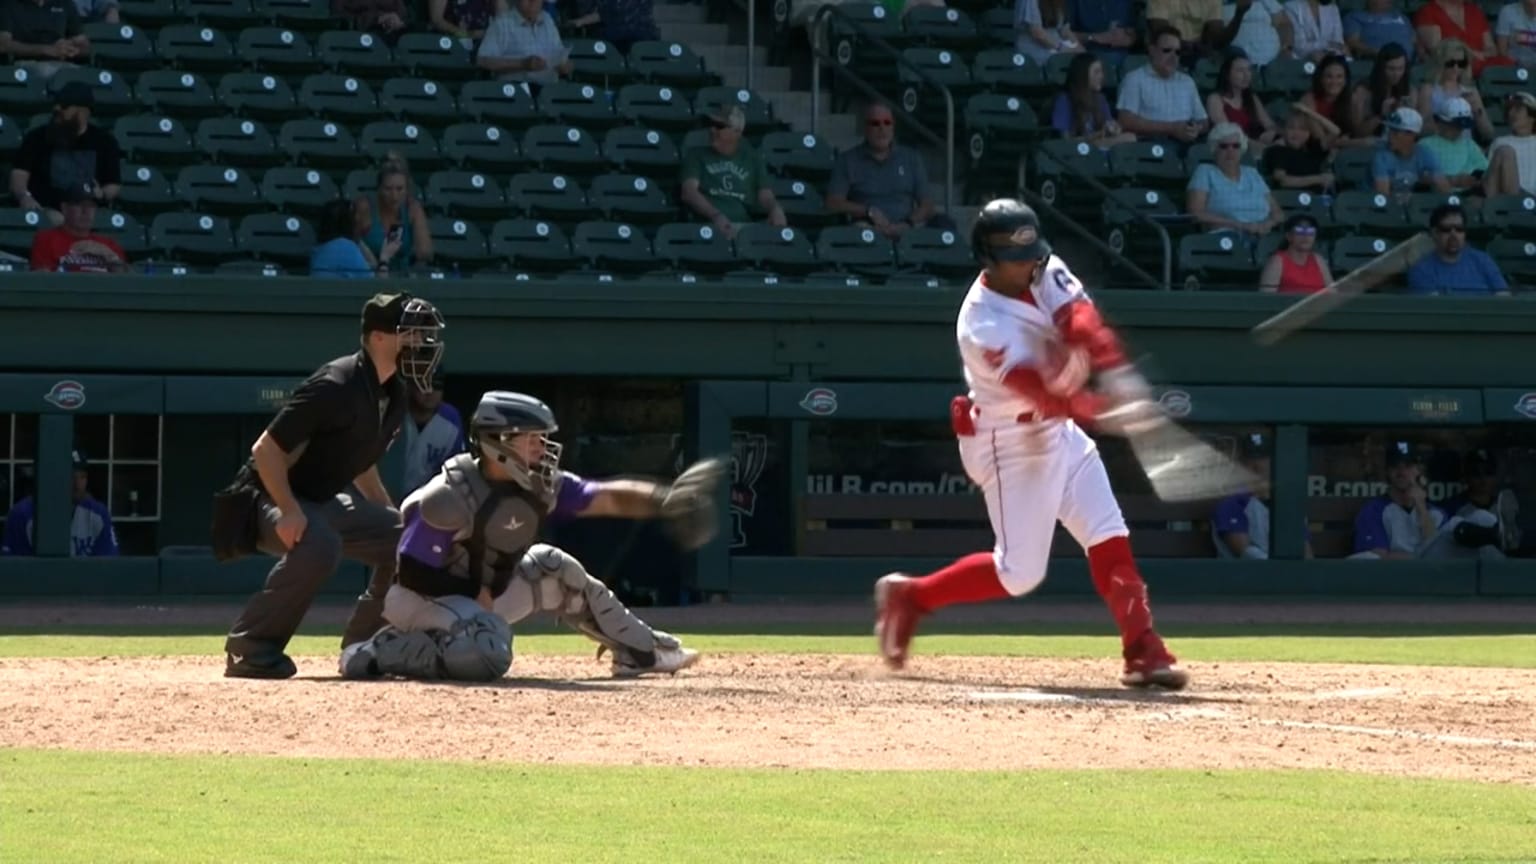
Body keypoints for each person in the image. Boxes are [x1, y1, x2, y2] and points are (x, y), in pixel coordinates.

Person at [872, 199, 1188, 691]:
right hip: (1010, 442)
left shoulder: (1044, 267)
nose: (1029, 265)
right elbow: (1039, 391)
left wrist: (1121, 378)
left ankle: (1143, 650)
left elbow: (1082, 322)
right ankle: (912, 597)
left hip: (1057, 431)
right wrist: (1103, 412)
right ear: (988, 258)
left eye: (1032, 253)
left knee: (1108, 534)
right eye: (1015, 258)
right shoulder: (981, 324)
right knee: (1019, 573)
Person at [339, 391, 720, 681]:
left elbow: (603, 496)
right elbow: (411, 572)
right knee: (487, 651)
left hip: (479, 599)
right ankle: (379, 651)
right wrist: (475, 592)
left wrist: (664, 500)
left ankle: (641, 652)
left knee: (554, 567)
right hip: (419, 600)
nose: (542, 447)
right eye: (531, 438)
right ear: (498, 442)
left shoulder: (539, 485)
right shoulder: (449, 496)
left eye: (542, 437)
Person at [215, 292, 446, 679]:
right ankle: (250, 647)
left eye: (421, 334)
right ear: (378, 338)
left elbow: (362, 465)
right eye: (409, 333)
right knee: (320, 544)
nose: (420, 342)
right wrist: (289, 509)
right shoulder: (335, 383)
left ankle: (364, 646)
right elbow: (266, 450)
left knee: (407, 540)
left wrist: (389, 516)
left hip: (322, 500)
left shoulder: (394, 392)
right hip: (265, 495)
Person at [1, 449, 117, 557]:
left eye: (82, 476)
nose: (77, 484)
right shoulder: (22, 514)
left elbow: (110, 564)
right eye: (71, 476)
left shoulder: (98, 514)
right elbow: (14, 567)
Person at [1406, 202, 1509, 295]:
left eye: (1459, 229)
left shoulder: (1483, 261)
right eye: (1446, 229)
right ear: (1434, 233)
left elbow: (1504, 297)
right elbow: (1436, 307)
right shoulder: (1421, 270)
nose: (1454, 235)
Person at [399, 366, 466, 494]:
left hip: (426, 498)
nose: (430, 392)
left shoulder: (451, 420)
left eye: (437, 386)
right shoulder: (394, 414)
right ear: (410, 386)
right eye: (424, 385)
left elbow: (455, 470)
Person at [1259, 212, 1332, 292]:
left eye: (1310, 232)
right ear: (1288, 236)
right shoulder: (1277, 261)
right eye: (1299, 231)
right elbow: (1267, 297)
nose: (1305, 236)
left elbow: (1332, 293)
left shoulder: (1318, 260)